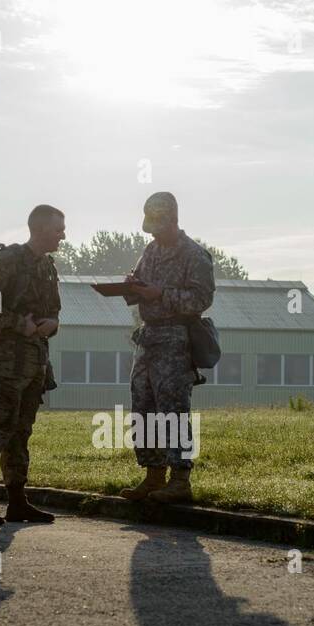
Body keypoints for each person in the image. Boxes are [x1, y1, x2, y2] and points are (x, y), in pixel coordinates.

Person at [0, 205, 63, 525]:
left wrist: (51, 324)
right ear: (40, 229)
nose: (63, 234)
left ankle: (17, 502)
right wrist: (20, 324)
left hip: (36, 360)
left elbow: (55, 311)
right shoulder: (7, 263)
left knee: (21, 431)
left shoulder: (48, 267)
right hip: (6, 362)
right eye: (58, 228)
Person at [119, 191, 215, 505]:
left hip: (176, 338)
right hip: (148, 338)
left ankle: (180, 479)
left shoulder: (194, 255)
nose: (155, 233)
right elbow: (141, 285)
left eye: (159, 226)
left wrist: (161, 294)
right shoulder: (151, 250)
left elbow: (201, 300)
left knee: (173, 409)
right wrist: (131, 286)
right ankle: (153, 475)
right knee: (143, 407)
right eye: (152, 227)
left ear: (173, 219)